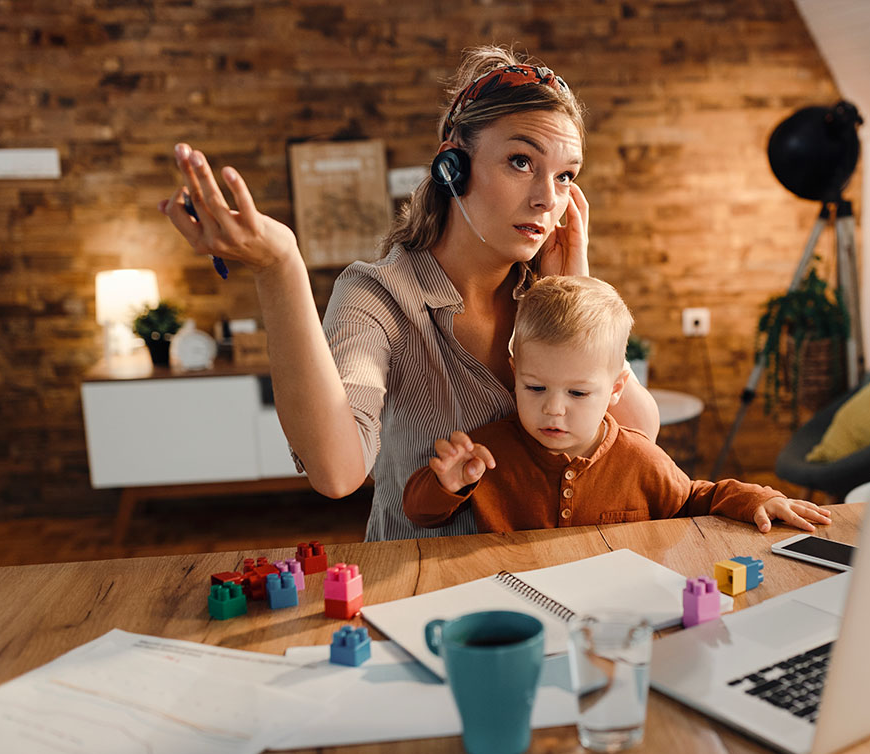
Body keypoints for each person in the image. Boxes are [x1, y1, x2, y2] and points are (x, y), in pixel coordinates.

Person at [160, 46, 660, 541]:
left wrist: (576, 292)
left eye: (565, 176)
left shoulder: (546, 293)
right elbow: (337, 473)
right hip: (422, 579)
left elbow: (639, 437)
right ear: (452, 167)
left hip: (544, 574)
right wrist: (279, 266)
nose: (547, 199)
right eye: (521, 161)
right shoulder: (378, 296)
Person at [403, 276, 832, 534]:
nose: (554, 409)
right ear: (515, 373)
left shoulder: (639, 457)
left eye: (577, 393)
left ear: (615, 389)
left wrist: (756, 499)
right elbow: (420, 515)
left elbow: (694, 498)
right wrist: (447, 484)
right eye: (535, 388)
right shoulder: (487, 452)